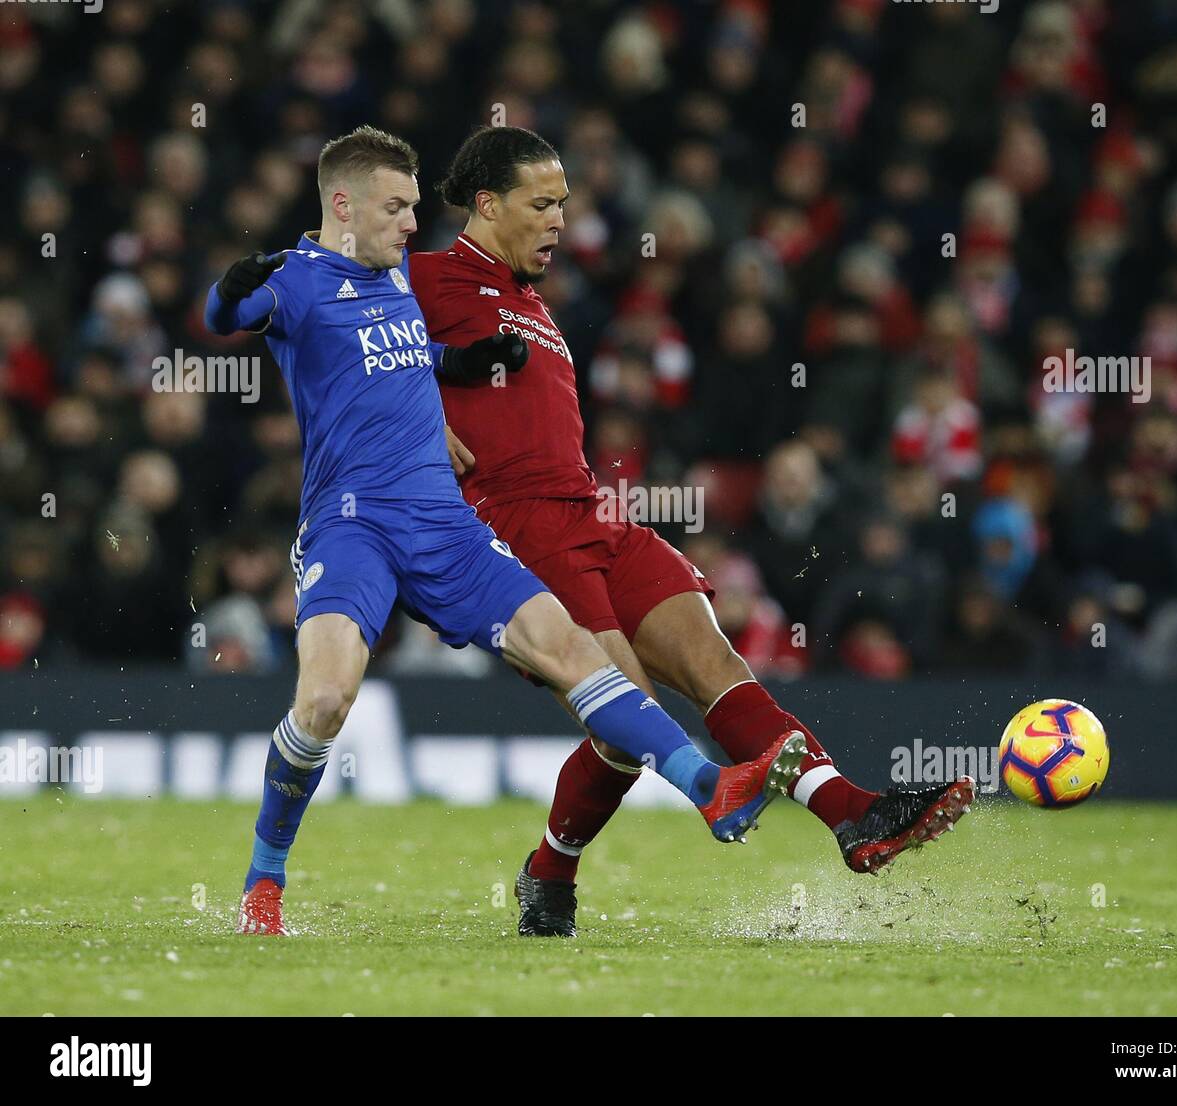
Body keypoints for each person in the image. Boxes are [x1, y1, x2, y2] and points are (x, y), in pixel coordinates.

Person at [204, 125, 810, 935]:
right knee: (323, 701)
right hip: (354, 527)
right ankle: (264, 881)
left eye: (416, 207)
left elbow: (411, 361)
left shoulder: (398, 283)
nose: (413, 224)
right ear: (341, 205)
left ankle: (710, 786)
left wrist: (468, 363)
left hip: (446, 526)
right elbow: (229, 313)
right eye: (396, 208)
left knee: (573, 652)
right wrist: (228, 288)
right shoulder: (301, 281)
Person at [410, 126, 974, 937]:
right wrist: (421, 411)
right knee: (625, 709)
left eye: (565, 205)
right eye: (543, 204)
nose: (561, 220)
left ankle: (855, 816)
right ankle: (549, 872)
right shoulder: (421, 277)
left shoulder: (532, 302)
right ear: (488, 204)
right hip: (514, 522)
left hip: (592, 510)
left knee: (714, 664)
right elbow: (322, 325)